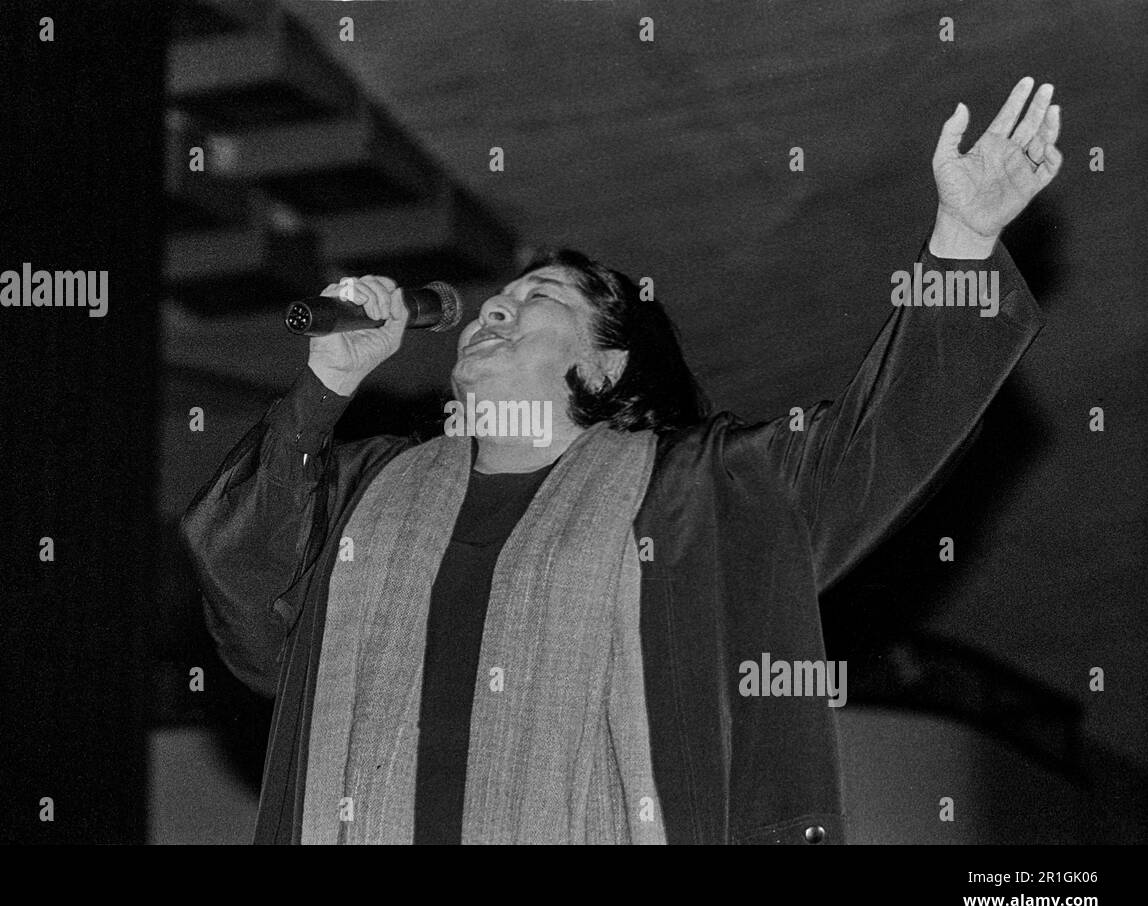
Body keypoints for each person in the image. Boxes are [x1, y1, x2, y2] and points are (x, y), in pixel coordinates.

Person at [181, 78, 1063, 844]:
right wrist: (323, 391)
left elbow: (875, 446)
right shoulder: (365, 490)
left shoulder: (689, 496)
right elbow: (246, 595)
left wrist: (962, 241)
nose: (496, 311)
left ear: (605, 364)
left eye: (537, 299)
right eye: (495, 303)